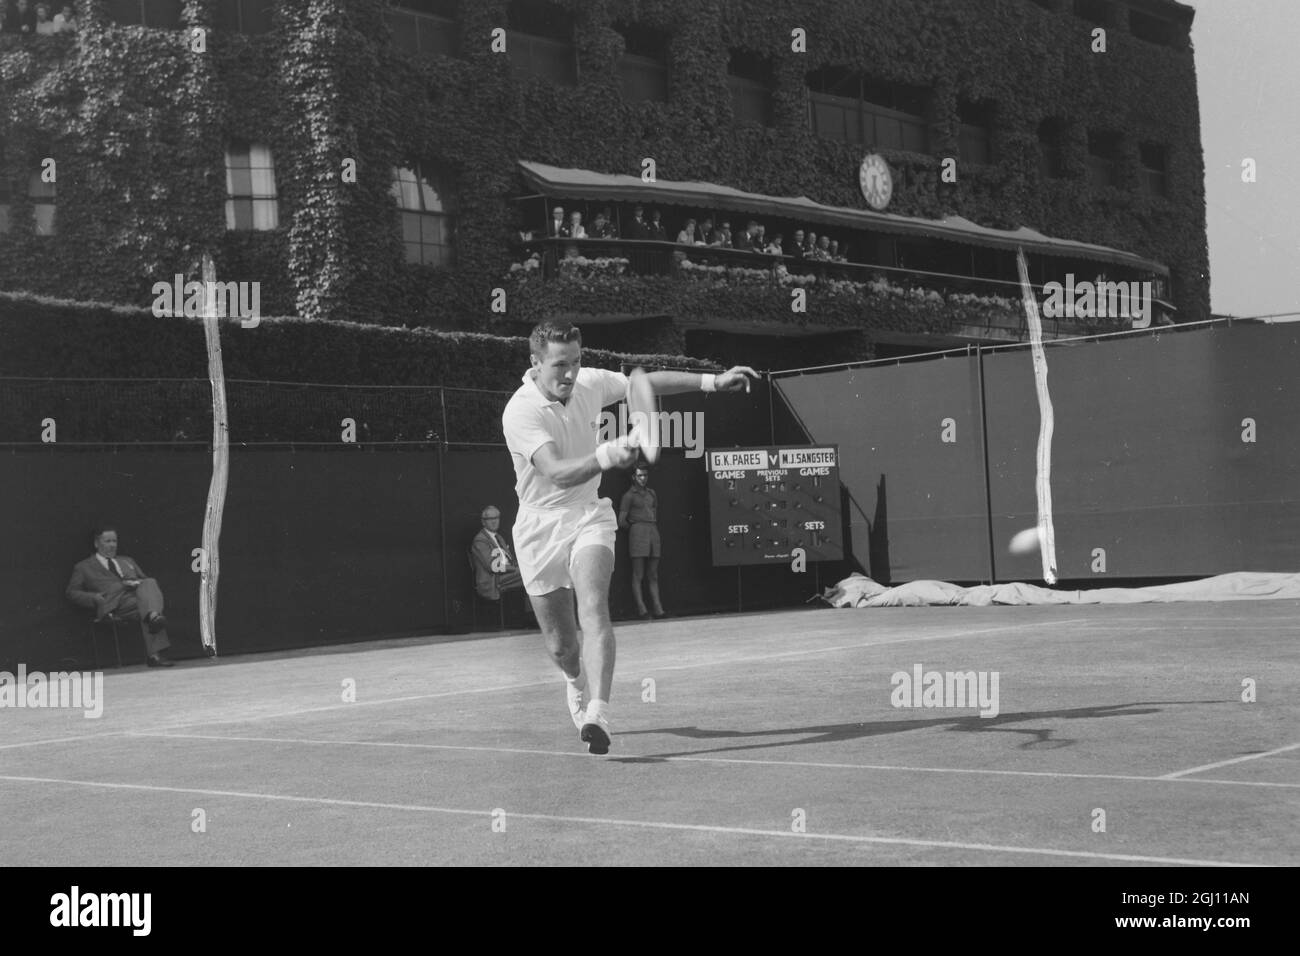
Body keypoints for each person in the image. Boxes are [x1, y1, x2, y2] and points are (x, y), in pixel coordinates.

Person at [501, 320, 758, 754]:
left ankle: (598, 712)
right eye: (560, 365)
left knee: (594, 607)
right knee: (562, 646)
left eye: (577, 362)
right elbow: (555, 473)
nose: (570, 373)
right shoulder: (520, 411)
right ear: (535, 363)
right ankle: (576, 680)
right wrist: (606, 454)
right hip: (538, 526)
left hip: (588, 516)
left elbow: (644, 382)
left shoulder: (591, 383)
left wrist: (714, 380)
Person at [66, 525, 174, 667]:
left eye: (115, 541)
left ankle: (153, 619)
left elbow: (145, 582)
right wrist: (94, 598)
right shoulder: (83, 567)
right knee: (148, 605)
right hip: (112, 604)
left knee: (149, 584)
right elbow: (72, 592)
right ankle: (155, 632)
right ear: (96, 544)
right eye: (108, 541)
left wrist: (135, 583)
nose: (112, 545)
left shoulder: (127, 560)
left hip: (135, 599)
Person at [618, 465, 664, 619]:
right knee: (638, 574)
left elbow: (655, 513)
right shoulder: (628, 496)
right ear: (634, 477)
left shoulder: (652, 494)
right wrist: (635, 528)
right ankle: (642, 610)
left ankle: (658, 610)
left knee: (653, 574)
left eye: (645, 475)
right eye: (639, 476)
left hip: (653, 532)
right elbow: (621, 521)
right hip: (637, 533)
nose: (643, 478)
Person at [470, 505, 524, 600]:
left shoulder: (498, 537)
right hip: (492, 580)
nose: (494, 521)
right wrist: (514, 568)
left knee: (529, 570)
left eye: (496, 518)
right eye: (490, 519)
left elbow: (509, 560)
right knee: (529, 573)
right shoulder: (480, 540)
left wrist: (519, 565)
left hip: (505, 575)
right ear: (483, 522)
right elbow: (493, 566)